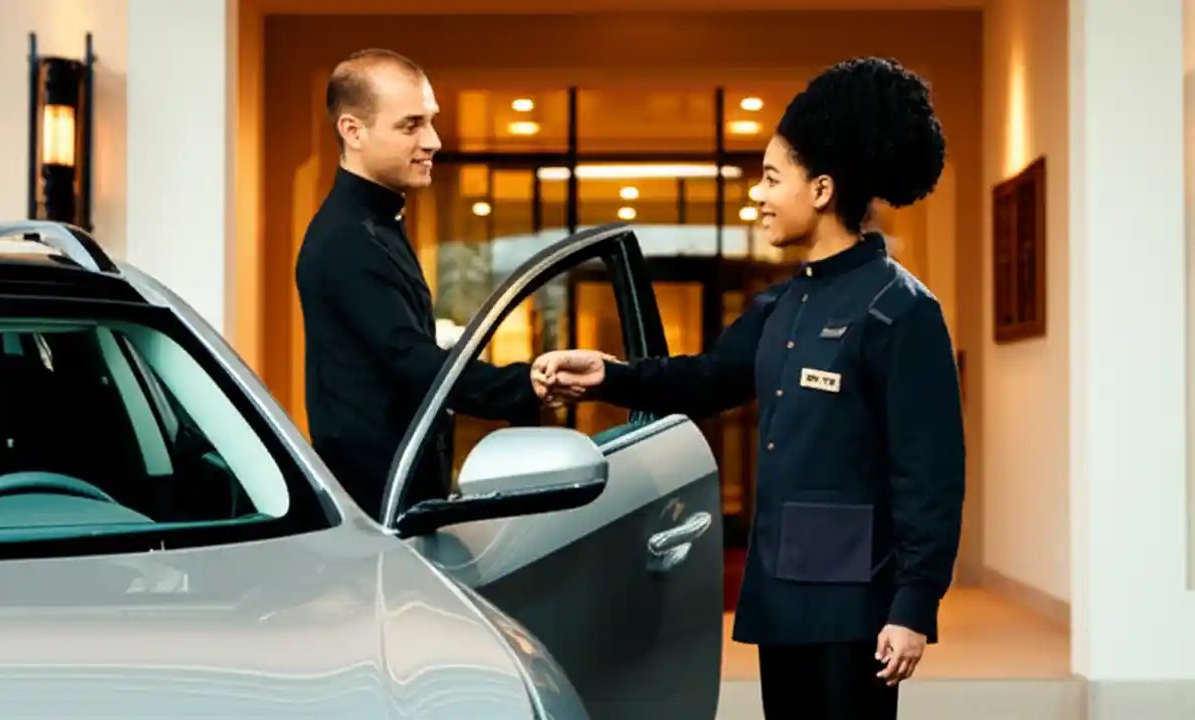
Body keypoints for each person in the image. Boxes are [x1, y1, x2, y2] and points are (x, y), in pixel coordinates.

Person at [534, 57, 964, 719]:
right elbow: (706, 380)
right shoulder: (779, 305)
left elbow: (930, 476)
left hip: (855, 604)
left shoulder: (901, 309)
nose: (757, 196)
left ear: (821, 189)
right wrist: (609, 374)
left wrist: (914, 606)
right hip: (782, 592)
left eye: (770, 178)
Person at [296, 49, 549, 516]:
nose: (433, 139)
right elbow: (412, 362)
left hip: (397, 498)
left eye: (430, 121)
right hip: (378, 512)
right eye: (410, 125)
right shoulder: (347, 240)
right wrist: (529, 382)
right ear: (353, 131)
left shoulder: (376, 224)